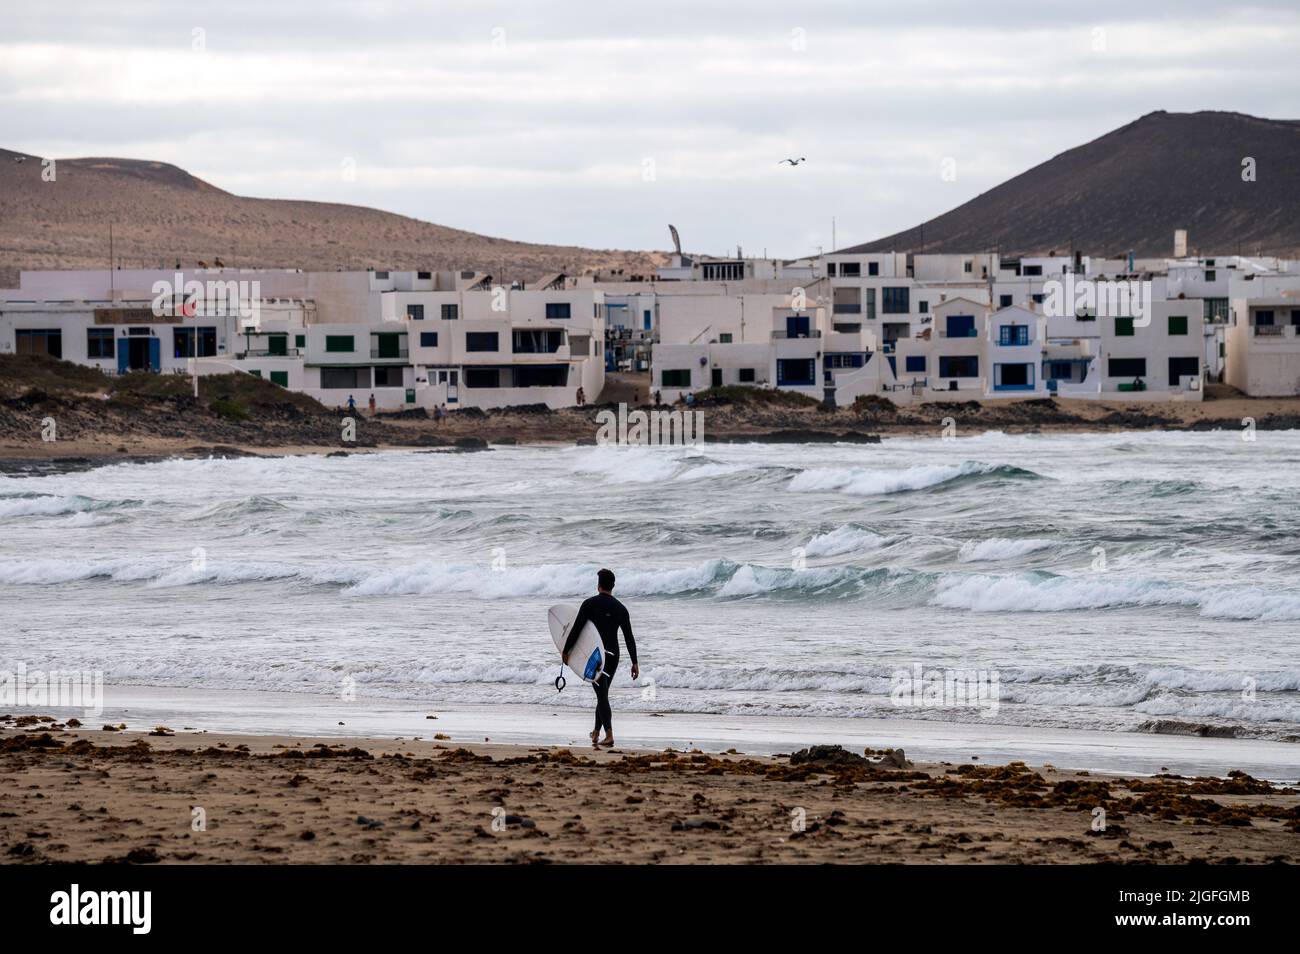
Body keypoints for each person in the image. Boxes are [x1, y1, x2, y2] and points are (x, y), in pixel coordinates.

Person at [563, 568, 638, 748]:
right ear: (613, 586)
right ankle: (596, 732)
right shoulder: (621, 608)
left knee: (602, 694)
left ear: (598, 585)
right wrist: (635, 662)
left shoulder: (589, 604)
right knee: (602, 693)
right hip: (613, 655)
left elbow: (577, 629)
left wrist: (566, 650)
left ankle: (609, 734)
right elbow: (629, 637)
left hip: (596, 655)